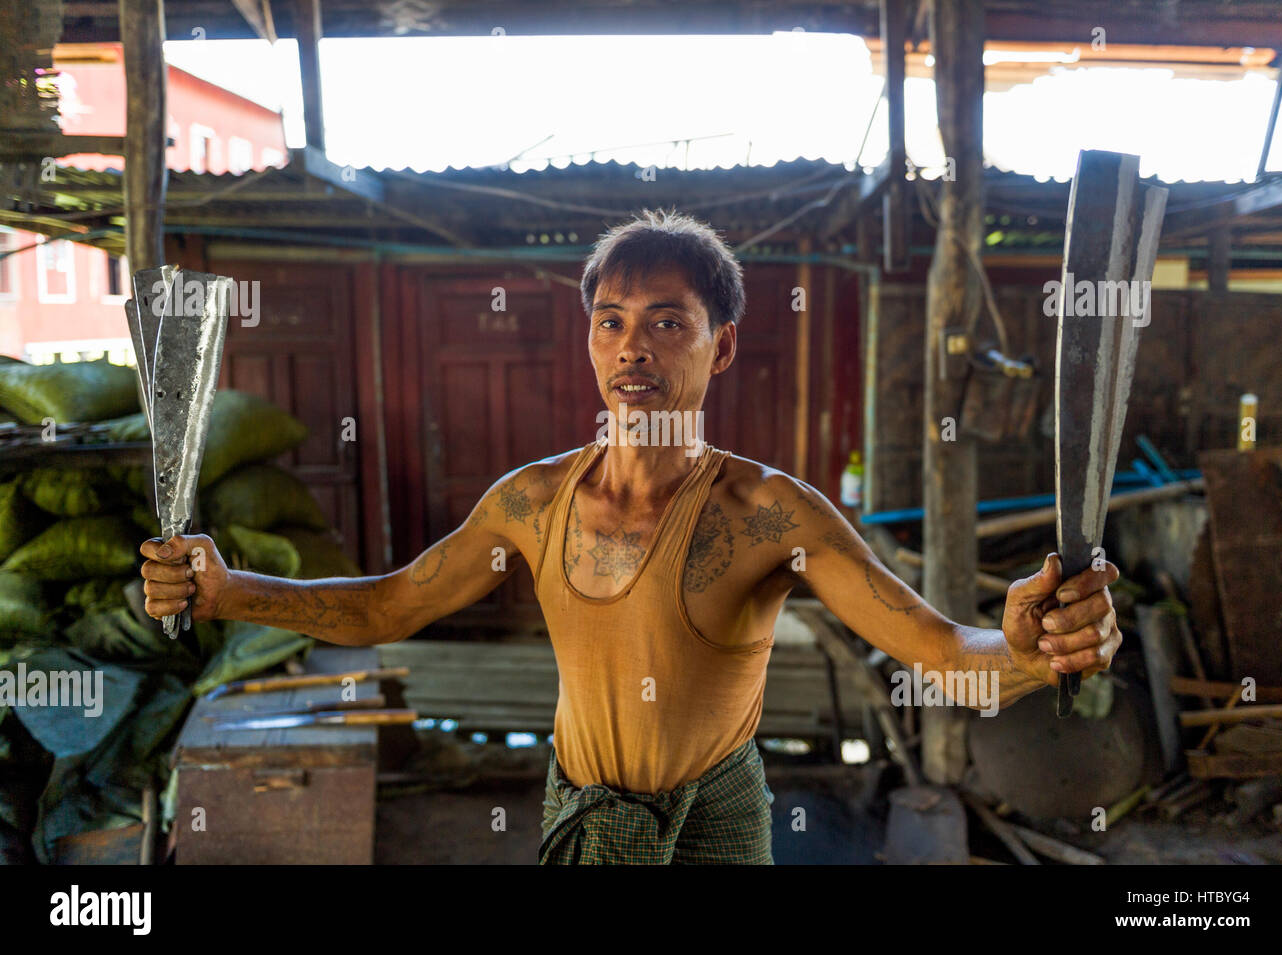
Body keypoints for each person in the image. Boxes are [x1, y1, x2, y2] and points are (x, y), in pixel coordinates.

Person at [140, 209, 1121, 864]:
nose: (631, 347)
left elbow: (946, 652)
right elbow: (391, 603)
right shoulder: (529, 503)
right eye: (609, 322)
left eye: (666, 322)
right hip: (591, 816)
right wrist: (230, 590)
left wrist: (1035, 650)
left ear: (722, 344)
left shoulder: (769, 513)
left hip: (723, 814)